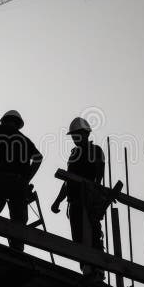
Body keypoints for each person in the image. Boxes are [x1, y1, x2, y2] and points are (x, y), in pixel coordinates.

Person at [0, 110, 43, 251]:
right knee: (18, 223)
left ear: (4, 120)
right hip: (19, 186)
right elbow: (39, 158)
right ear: (18, 124)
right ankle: (17, 253)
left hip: (2, 180)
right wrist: (26, 179)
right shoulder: (24, 139)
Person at [51, 117, 106, 276]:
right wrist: (57, 201)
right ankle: (86, 268)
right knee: (78, 236)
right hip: (74, 201)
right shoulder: (74, 153)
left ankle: (98, 268)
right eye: (73, 136)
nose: (75, 139)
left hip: (88, 200)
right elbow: (68, 179)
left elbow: (99, 175)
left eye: (77, 135)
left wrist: (95, 194)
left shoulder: (95, 150)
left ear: (86, 134)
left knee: (93, 234)